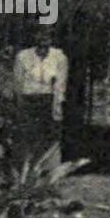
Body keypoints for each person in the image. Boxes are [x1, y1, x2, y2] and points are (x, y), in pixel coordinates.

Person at [12, 24, 68, 163]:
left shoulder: (59, 57)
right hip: (28, 100)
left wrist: (57, 108)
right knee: (27, 136)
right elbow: (18, 83)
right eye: (40, 34)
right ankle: (25, 170)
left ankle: (48, 171)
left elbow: (60, 85)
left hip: (48, 100)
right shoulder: (23, 56)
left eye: (48, 35)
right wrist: (20, 105)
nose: (44, 38)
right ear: (34, 36)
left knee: (49, 136)